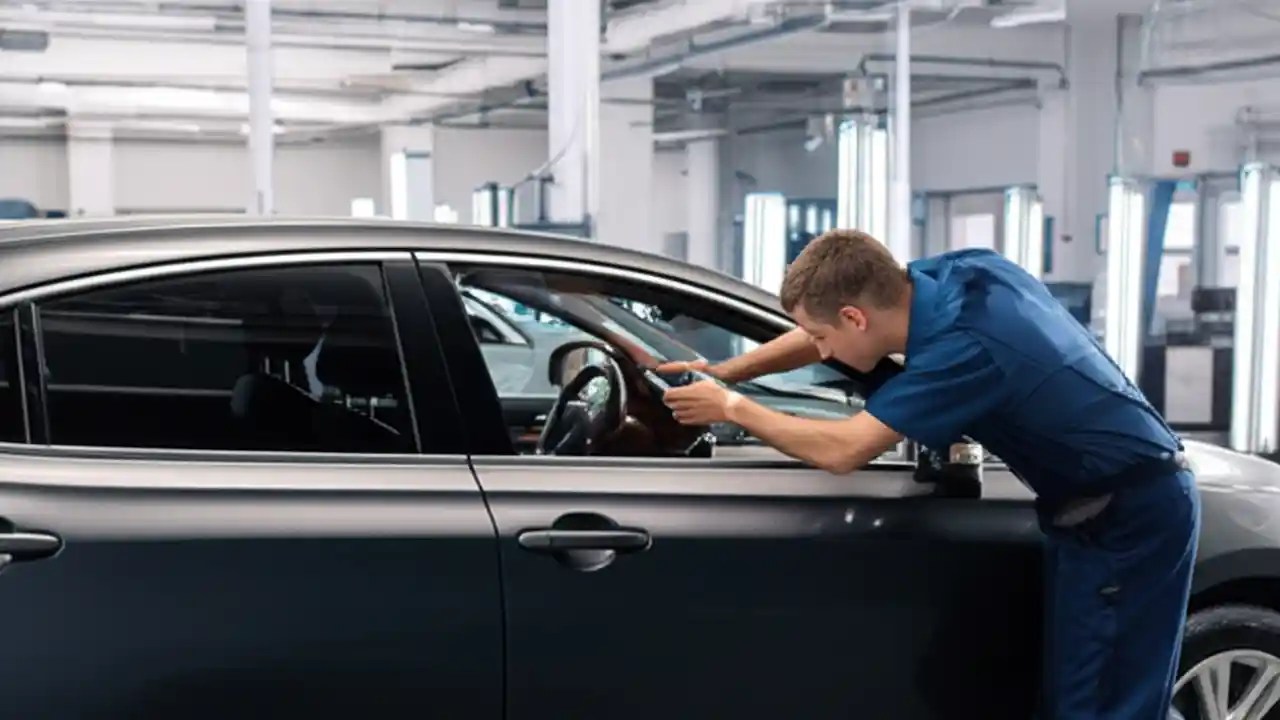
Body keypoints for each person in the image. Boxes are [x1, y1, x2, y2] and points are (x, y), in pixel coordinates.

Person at [660, 229, 1200, 720]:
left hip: (1127, 518)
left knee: (1101, 706)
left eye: (823, 335)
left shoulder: (965, 352)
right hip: (1106, 504)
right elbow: (824, 330)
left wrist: (733, 408)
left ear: (855, 318)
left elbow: (845, 449)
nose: (820, 352)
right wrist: (726, 371)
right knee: (1113, 687)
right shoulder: (964, 271)